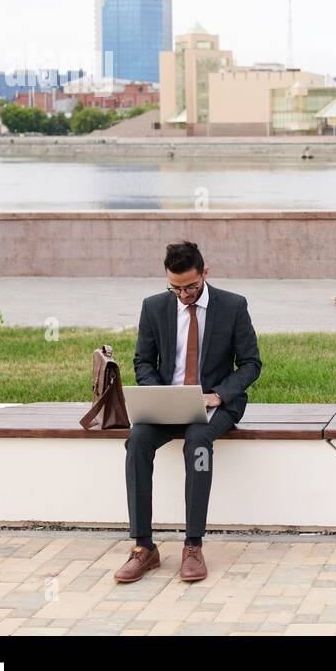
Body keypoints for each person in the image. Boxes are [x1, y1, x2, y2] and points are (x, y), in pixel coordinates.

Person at [114, 240, 262, 583]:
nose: (183, 295)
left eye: (191, 286)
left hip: (217, 403)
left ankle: (192, 545)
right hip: (170, 401)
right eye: (175, 287)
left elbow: (251, 364)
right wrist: (160, 393)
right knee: (136, 441)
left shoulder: (233, 306)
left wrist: (218, 395)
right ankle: (143, 547)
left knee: (197, 441)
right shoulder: (153, 308)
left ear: (205, 274)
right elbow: (143, 362)